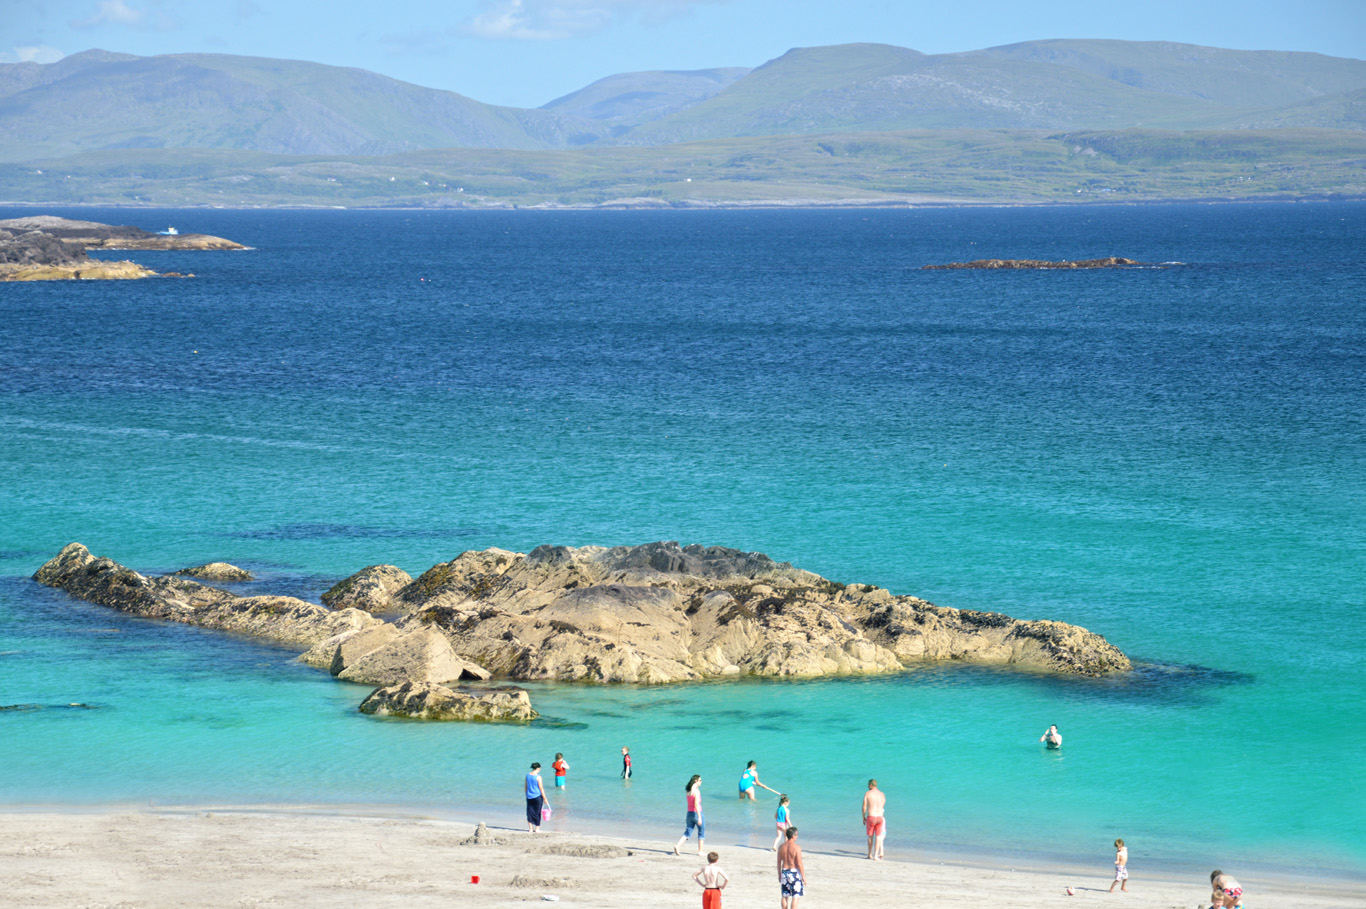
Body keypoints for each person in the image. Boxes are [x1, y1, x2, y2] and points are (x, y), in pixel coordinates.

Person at [675, 774, 705, 855]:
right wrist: (699, 817)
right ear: (696, 781)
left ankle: (678, 846)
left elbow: (691, 792)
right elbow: (696, 805)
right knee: (701, 831)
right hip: (696, 813)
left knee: (688, 831)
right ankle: (700, 851)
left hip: (689, 813)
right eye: (700, 780)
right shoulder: (696, 792)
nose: (701, 782)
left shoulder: (688, 791)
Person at [777, 826, 805, 909]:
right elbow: (799, 863)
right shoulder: (796, 847)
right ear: (793, 836)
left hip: (784, 871)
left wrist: (779, 874)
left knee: (785, 895)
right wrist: (803, 876)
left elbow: (779, 863)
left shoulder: (781, 847)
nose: (797, 836)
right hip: (794, 872)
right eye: (796, 835)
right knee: (795, 896)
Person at [862, 779, 886, 861]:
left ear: (871, 785)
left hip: (871, 817)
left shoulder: (868, 794)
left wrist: (863, 817)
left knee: (870, 836)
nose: (868, 786)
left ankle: (869, 854)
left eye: (868, 785)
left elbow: (864, 806)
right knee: (878, 837)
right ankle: (876, 855)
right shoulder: (882, 794)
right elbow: (882, 805)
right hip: (880, 817)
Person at [524, 762, 546, 833]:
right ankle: (537, 829)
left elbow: (526, 787)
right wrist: (545, 798)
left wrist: (526, 794)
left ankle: (530, 829)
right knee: (537, 812)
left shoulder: (527, 775)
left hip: (529, 796)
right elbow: (541, 788)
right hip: (537, 796)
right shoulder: (538, 777)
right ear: (538, 768)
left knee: (529, 812)